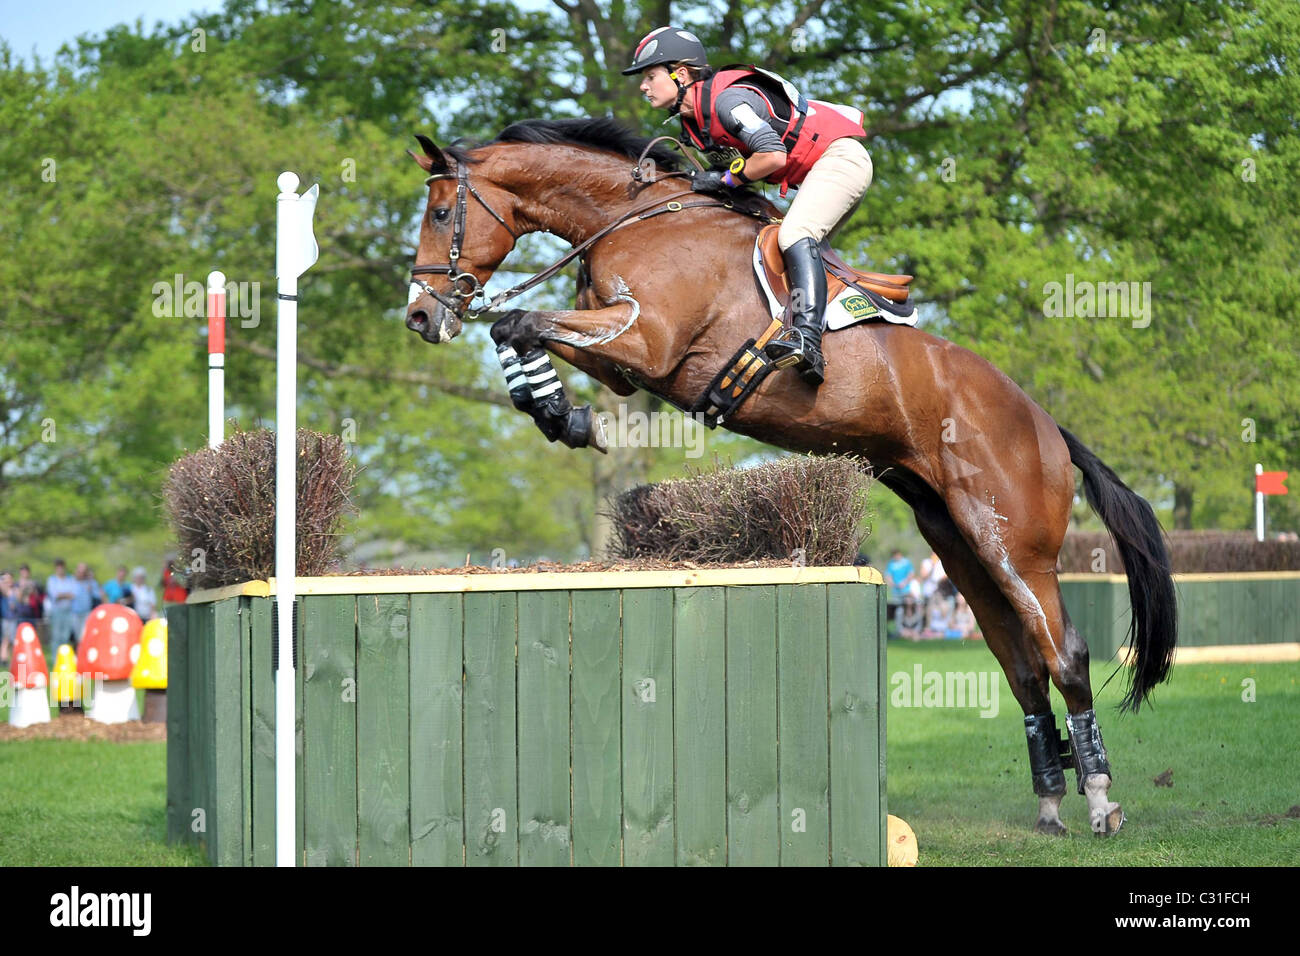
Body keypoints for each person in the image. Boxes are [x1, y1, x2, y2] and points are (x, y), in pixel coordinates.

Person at [623, 27, 872, 387]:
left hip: (840, 159)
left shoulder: (727, 102)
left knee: (796, 234)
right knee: (767, 252)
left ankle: (808, 342)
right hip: (815, 172)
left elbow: (771, 156)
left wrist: (725, 180)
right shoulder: (694, 126)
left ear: (680, 74)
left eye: (650, 76)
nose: (644, 87)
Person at [45, 559, 79, 656]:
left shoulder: (70, 579)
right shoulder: (52, 579)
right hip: (56, 611)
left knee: (65, 636)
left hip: (68, 611)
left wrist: (61, 595)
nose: (60, 569)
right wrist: (65, 595)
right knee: (56, 636)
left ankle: (63, 658)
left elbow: (74, 594)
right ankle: (55, 659)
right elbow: (55, 595)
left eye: (61, 567)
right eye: (58, 567)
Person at [884, 549, 915, 635]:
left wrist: (904, 582)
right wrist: (891, 583)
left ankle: (910, 628)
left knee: (908, 608)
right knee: (898, 611)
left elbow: (911, 574)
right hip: (896, 592)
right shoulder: (891, 564)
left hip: (906, 591)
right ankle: (899, 629)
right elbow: (888, 575)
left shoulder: (906, 562)